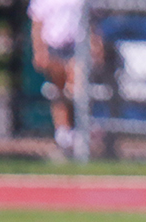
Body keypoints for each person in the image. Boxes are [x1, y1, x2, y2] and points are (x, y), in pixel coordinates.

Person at [28, 0, 84, 159]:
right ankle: (63, 134)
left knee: (75, 88)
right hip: (54, 45)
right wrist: (39, 50)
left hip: (78, 46)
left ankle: (79, 130)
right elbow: (37, 22)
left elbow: (91, 19)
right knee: (58, 92)